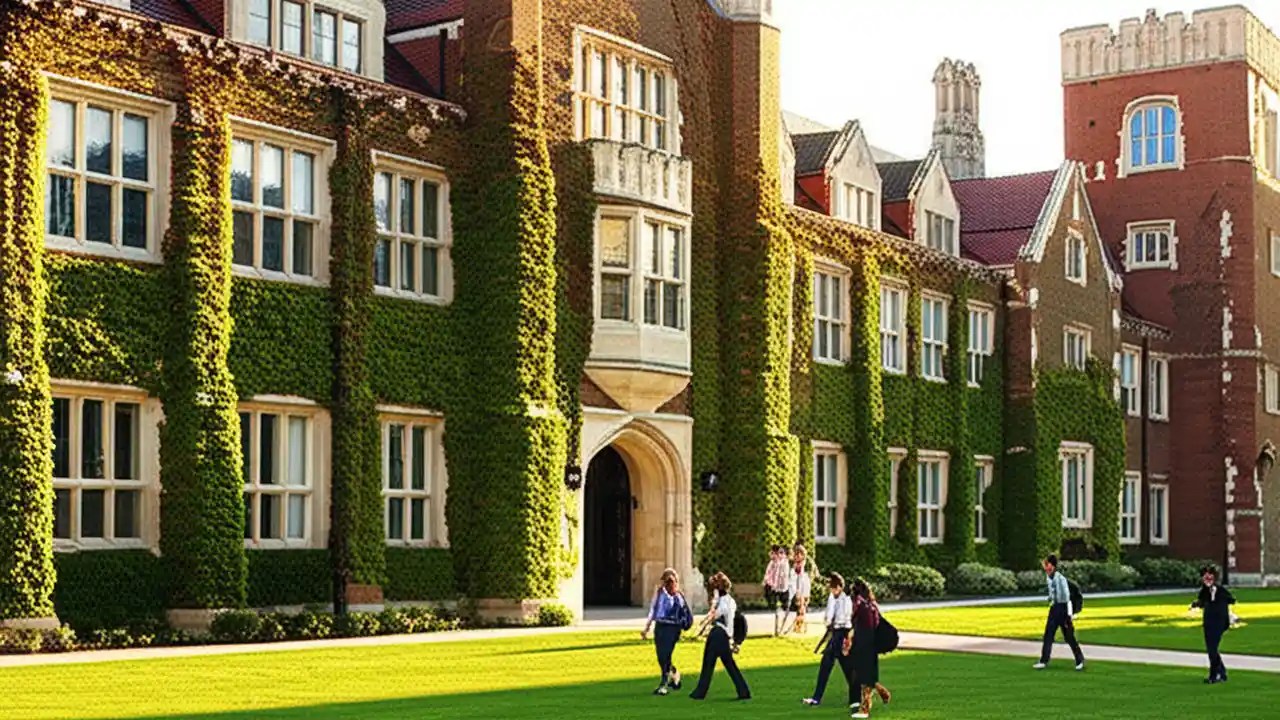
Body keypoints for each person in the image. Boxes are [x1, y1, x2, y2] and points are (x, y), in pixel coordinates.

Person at [689, 572, 751, 701]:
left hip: (718, 634)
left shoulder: (722, 602)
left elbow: (715, 615)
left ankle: (700, 692)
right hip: (723, 636)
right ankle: (743, 691)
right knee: (729, 665)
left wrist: (713, 605)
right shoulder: (731, 601)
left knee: (708, 663)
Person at [802, 573, 857, 708]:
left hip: (842, 633)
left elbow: (845, 619)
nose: (831, 590)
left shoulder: (846, 600)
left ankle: (855, 697)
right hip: (835, 633)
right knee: (833, 665)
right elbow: (829, 615)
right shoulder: (833, 597)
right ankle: (818, 698)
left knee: (839, 666)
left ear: (839, 587)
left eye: (833, 588)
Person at [1034, 554, 1085, 671]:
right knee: (1048, 635)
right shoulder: (1049, 578)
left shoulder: (1060, 579)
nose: (1045, 567)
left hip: (1063, 609)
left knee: (1069, 636)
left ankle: (1079, 660)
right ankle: (1043, 660)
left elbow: (1066, 598)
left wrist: (1070, 614)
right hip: (1054, 608)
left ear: (1052, 566)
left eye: (1047, 564)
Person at [641, 568, 688, 695]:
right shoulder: (659, 593)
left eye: (671, 581)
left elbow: (683, 613)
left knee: (666, 655)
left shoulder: (678, 596)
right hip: (660, 626)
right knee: (661, 656)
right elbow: (653, 609)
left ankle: (663, 684)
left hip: (672, 628)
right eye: (666, 581)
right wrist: (647, 627)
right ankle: (674, 674)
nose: (668, 584)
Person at [849, 578, 890, 718]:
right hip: (871, 644)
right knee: (867, 675)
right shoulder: (872, 605)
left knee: (864, 678)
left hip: (863, 644)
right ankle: (882, 693)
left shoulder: (860, 606)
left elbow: (858, 626)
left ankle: (865, 709)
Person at [1190, 564, 1236, 684]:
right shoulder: (1204, 591)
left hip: (1219, 623)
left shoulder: (1221, 591)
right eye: (1205, 577)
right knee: (1212, 650)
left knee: (1212, 650)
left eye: (1210, 577)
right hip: (1208, 623)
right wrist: (1195, 604)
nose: (1207, 580)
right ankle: (1222, 673)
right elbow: (1202, 601)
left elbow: (1231, 600)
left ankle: (1213, 675)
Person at [762, 545, 791, 636]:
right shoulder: (773, 563)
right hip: (775, 588)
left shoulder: (783, 562)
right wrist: (766, 582)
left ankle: (781, 628)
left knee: (785, 608)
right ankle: (777, 629)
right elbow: (768, 573)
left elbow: (783, 575)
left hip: (783, 588)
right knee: (777, 609)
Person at [788, 543, 813, 635]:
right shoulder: (792, 566)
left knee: (802, 605)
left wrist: (802, 593)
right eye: (796, 554)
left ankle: (800, 626)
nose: (798, 556)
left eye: (800, 554)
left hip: (804, 590)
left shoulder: (807, 565)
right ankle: (798, 626)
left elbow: (806, 580)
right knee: (799, 605)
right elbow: (791, 580)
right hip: (794, 591)